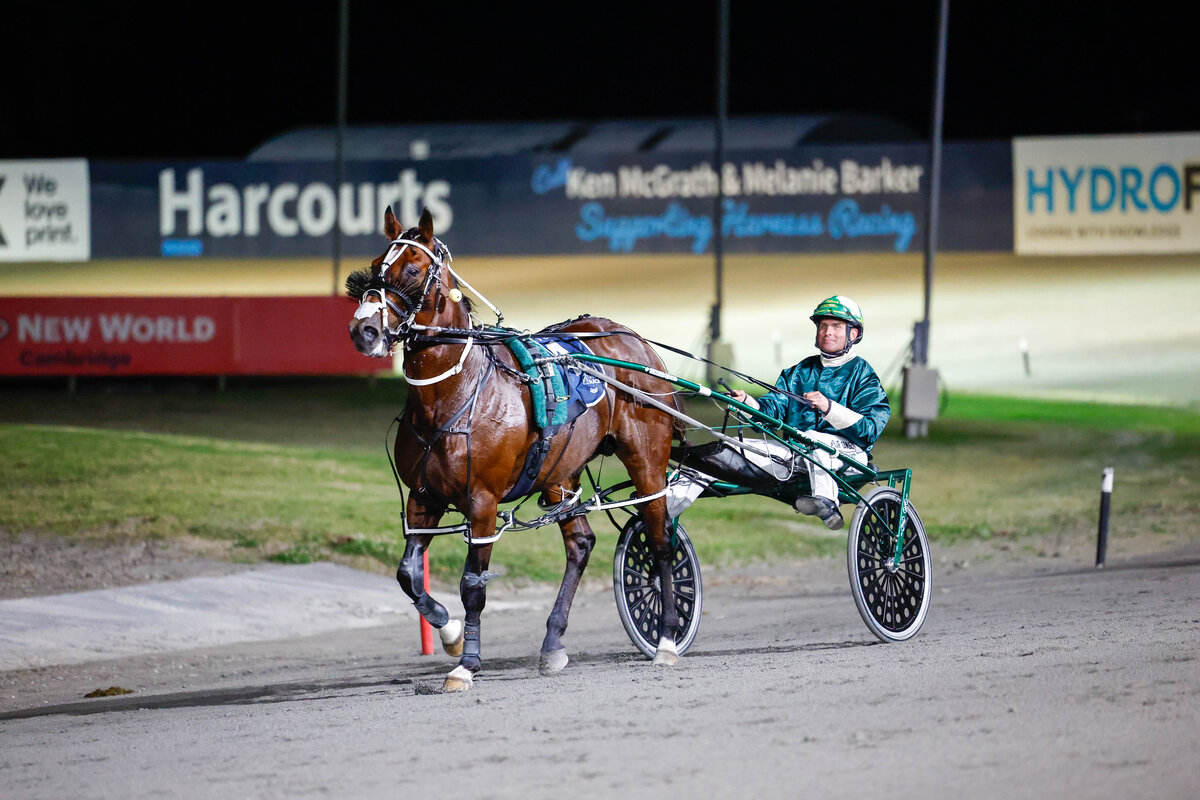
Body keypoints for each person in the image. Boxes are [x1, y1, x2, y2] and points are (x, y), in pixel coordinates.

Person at [668, 295, 891, 530]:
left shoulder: (863, 374)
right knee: (724, 448)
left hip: (850, 456)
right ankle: (662, 510)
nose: (828, 332)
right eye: (823, 326)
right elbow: (771, 412)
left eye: (836, 326)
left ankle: (826, 503)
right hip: (795, 456)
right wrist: (748, 404)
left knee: (813, 439)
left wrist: (828, 407)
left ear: (853, 334)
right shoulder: (797, 373)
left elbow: (870, 430)